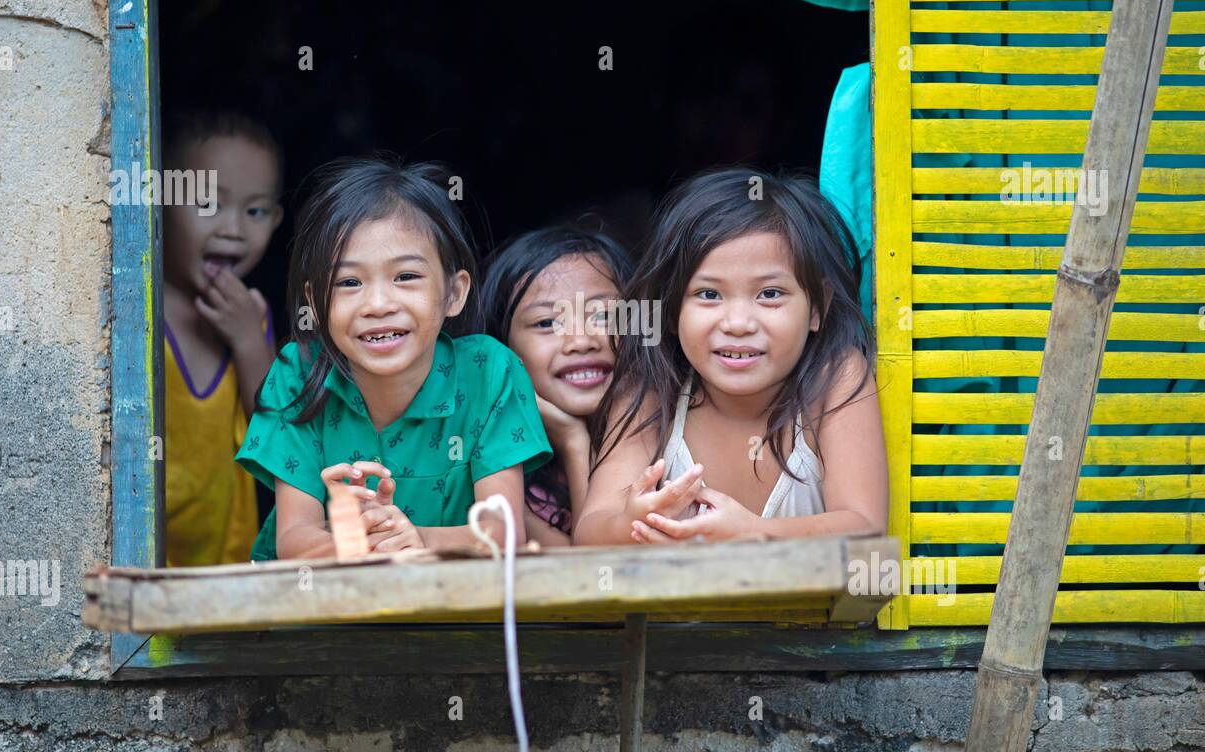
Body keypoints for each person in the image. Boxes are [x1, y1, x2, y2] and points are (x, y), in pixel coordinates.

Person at [236, 156, 552, 560]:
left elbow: (505, 532)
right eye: (349, 282)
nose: (379, 304)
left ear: (454, 294)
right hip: (318, 614)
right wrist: (353, 542)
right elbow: (294, 542)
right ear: (314, 304)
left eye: (405, 277)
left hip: (455, 615)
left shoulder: (488, 372)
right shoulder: (296, 372)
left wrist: (418, 539)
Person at [576, 167, 887, 545]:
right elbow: (591, 532)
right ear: (672, 312)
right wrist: (632, 523)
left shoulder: (834, 378)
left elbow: (865, 527)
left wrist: (756, 533)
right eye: (709, 294)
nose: (738, 323)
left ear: (817, 308)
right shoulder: (652, 392)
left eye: (770, 294)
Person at [162, 110, 283, 566]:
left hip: (224, 565)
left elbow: (274, 429)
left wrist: (250, 341)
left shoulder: (251, 316)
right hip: (148, 562)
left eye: (254, 211)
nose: (233, 229)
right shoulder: (137, 311)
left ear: (275, 220)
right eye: (209, 203)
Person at [480, 227, 633, 545]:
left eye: (603, 316)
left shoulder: (671, 436)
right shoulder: (503, 481)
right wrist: (573, 440)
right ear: (502, 348)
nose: (580, 341)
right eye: (547, 323)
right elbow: (589, 576)